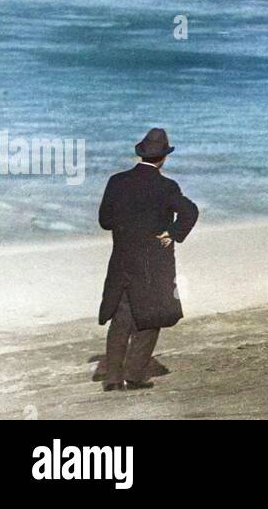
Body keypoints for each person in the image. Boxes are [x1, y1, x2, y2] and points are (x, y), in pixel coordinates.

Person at [96, 128, 199, 391]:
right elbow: (190, 211)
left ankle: (112, 378)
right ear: (164, 158)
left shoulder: (116, 181)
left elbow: (105, 221)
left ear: (140, 153)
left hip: (123, 259)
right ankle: (135, 375)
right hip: (153, 262)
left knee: (121, 317)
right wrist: (172, 234)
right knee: (150, 317)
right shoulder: (166, 186)